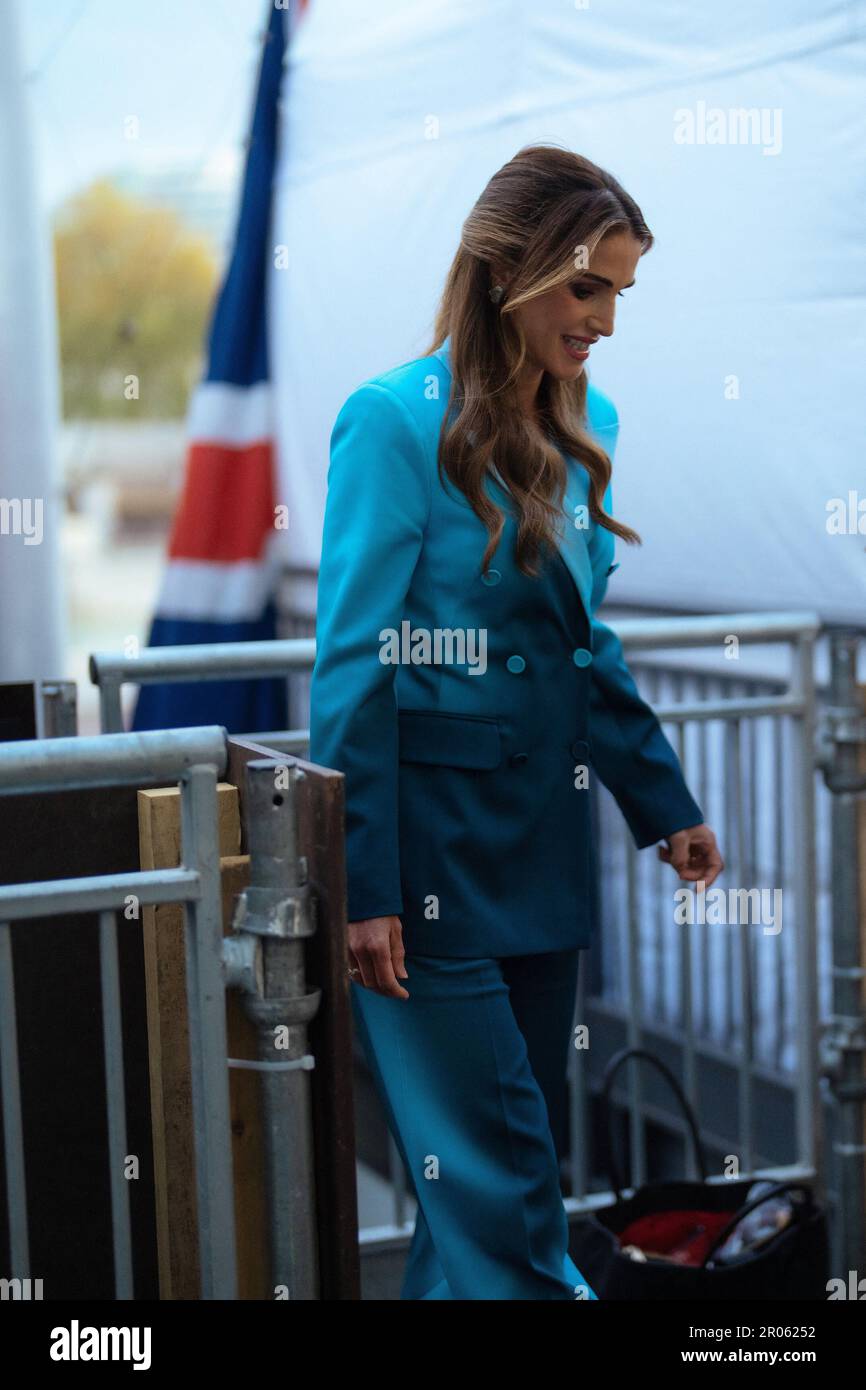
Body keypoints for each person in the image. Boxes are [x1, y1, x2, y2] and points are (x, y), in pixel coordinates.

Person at [309, 144, 724, 1300]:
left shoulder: (587, 421)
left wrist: (661, 800)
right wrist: (368, 881)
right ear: (512, 268)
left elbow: (580, 640)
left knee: (469, 1218)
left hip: (543, 856)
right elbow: (355, 665)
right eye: (586, 287)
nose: (601, 320)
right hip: (427, 872)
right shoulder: (390, 421)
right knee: (509, 1204)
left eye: (617, 296)